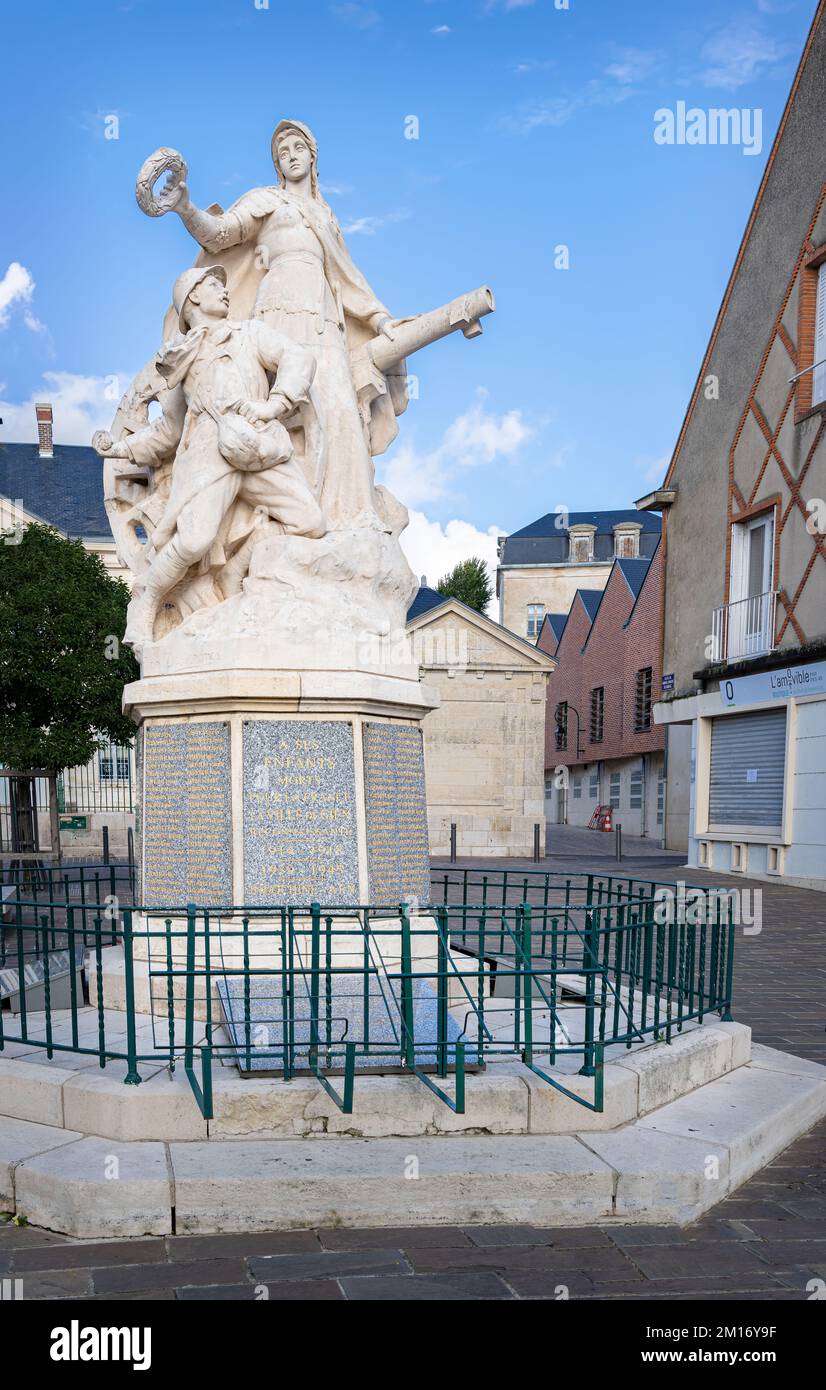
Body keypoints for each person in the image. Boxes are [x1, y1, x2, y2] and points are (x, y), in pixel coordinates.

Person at [158, 120, 409, 529]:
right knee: (273, 410)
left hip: (324, 315)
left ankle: (352, 515)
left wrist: (378, 318)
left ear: (312, 155)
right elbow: (220, 235)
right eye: (282, 153)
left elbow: (346, 278)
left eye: (297, 148)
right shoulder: (268, 201)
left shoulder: (326, 216)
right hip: (277, 307)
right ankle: (273, 517)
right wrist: (186, 207)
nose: (291, 156)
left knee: (340, 409)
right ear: (277, 165)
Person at [94, 265, 323, 648]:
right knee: (194, 540)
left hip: (259, 446)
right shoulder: (181, 359)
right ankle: (146, 601)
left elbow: (297, 358)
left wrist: (275, 404)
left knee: (310, 521)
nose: (225, 290)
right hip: (208, 457)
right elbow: (169, 430)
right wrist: (121, 449)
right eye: (215, 285)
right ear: (194, 297)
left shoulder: (250, 334)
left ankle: (237, 566)